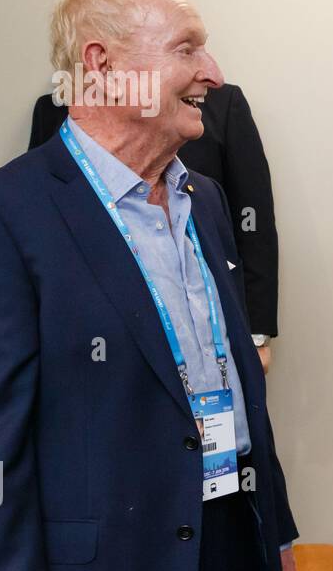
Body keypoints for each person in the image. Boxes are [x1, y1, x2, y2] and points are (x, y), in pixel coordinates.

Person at [0, 0, 298, 571]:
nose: (212, 70)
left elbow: (233, 378)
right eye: (187, 47)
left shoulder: (204, 201)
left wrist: (269, 530)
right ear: (103, 63)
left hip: (220, 558)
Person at [27, 82, 281, 373]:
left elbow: (254, 222)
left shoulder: (218, 106)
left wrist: (256, 335)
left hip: (205, 326)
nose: (209, 73)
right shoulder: (56, 109)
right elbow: (41, 224)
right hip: (96, 338)